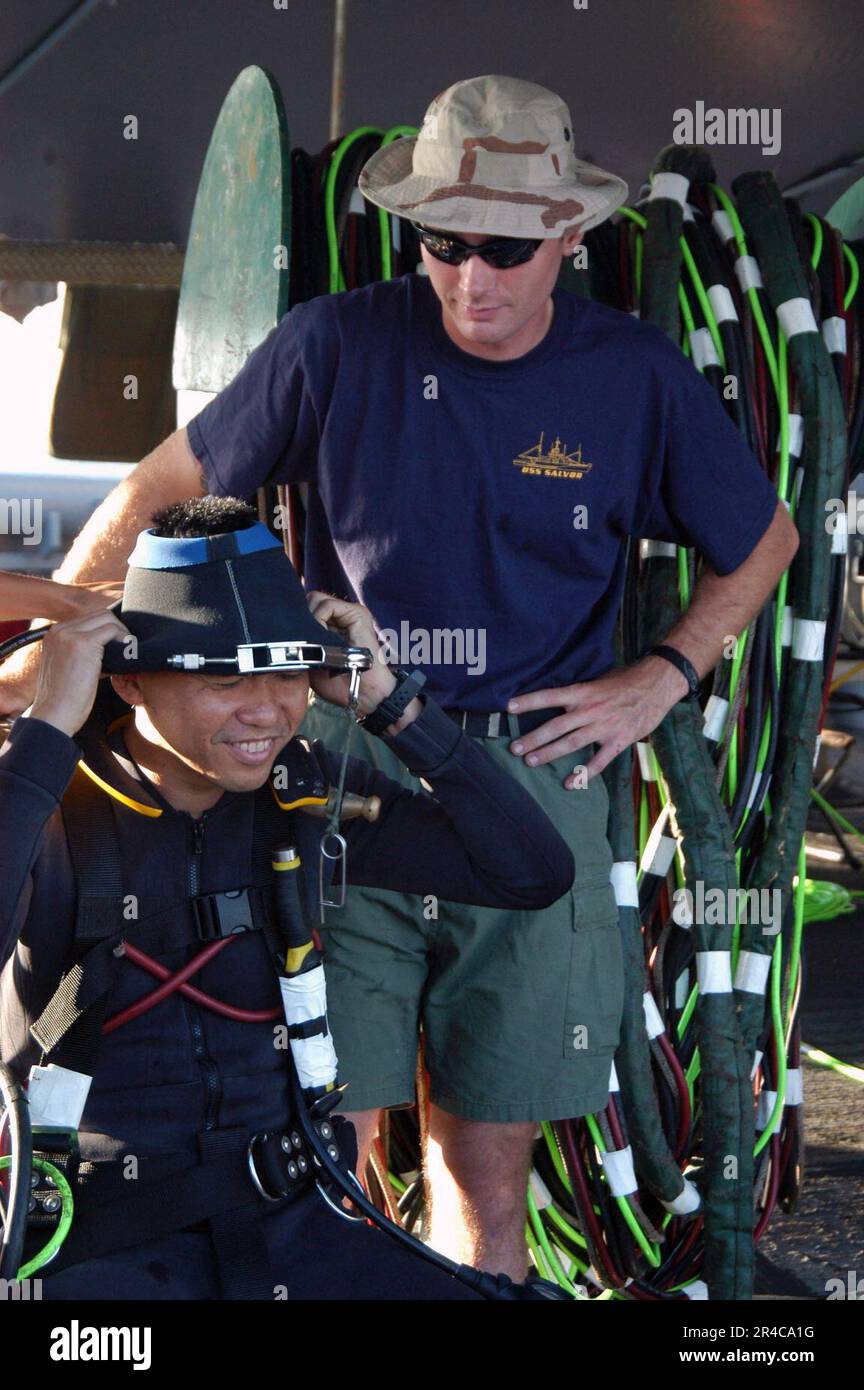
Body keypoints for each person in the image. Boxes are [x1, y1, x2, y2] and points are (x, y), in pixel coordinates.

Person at [0, 76, 800, 1281]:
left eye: (506, 249)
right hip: (343, 766)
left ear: (568, 239)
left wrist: (666, 674)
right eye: (444, 243)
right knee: (325, 1135)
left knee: (485, 1164)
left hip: (532, 771)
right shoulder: (335, 342)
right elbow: (160, 489)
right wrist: (49, 649)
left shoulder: (631, 375)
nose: (472, 278)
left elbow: (768, 540)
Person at [0, 496, 574, 1300]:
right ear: (128, 680)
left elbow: (531, 870)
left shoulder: (297, 791)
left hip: (296, 1226)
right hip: (96, 1247)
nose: (266, 711)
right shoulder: (47, 798)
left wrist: (392, 702)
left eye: (287, 673)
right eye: (228, 679)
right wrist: (45, 735)